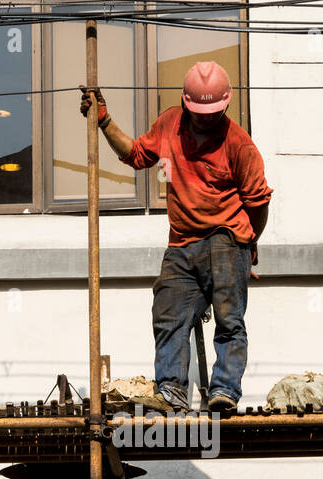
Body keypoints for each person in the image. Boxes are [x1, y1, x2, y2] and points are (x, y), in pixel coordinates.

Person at [80, 61, 272, 413]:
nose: (206, 119)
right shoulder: (169, 124)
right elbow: (136, 154)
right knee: (168, 312)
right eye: (199, 112)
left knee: (229, 320)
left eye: (213, 113)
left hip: (226, 239)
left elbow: (258, 203)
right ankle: (171, 391)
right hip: (182, 244)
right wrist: (104, 121)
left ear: (226, 105)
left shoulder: (239, 144)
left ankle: (224, 390)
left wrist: (248, 243)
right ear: (185, 102)